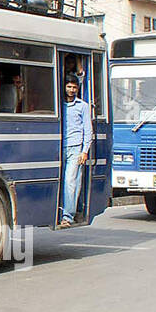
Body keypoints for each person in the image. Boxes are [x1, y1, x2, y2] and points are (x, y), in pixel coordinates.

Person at [60, 74, 93, 228]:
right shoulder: (59, 105)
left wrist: (84, 151)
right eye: (69, 87)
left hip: (76, 149)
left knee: (70, 182)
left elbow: (88, 130)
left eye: (74, 87)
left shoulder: (83, 106)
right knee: (62, 182)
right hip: (60, 147)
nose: (71, 90)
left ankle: (68, 216)